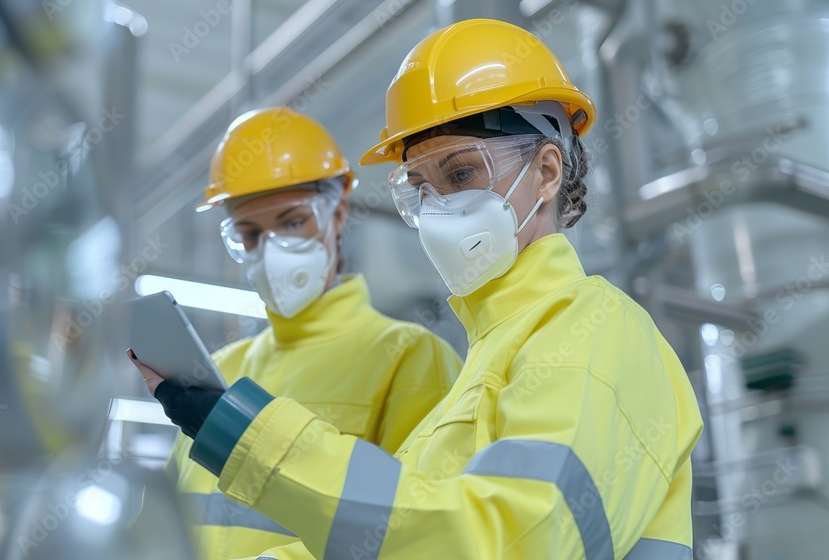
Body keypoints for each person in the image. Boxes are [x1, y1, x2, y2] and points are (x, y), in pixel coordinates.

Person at [130, 20, 703, 559]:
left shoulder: (594, 328)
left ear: (549, 171)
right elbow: (404, 538)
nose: (437, 212)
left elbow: (515, 537)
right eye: (419, 188)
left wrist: (252, 439)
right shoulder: (485, 365)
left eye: (460, 174)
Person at [128, 106, 462, 560]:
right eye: (249, 233)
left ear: (338, 214)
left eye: (291, 222)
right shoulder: (220, 370)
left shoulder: (411, 357)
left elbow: (413, 534)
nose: (272, 251)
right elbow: (167, 524)